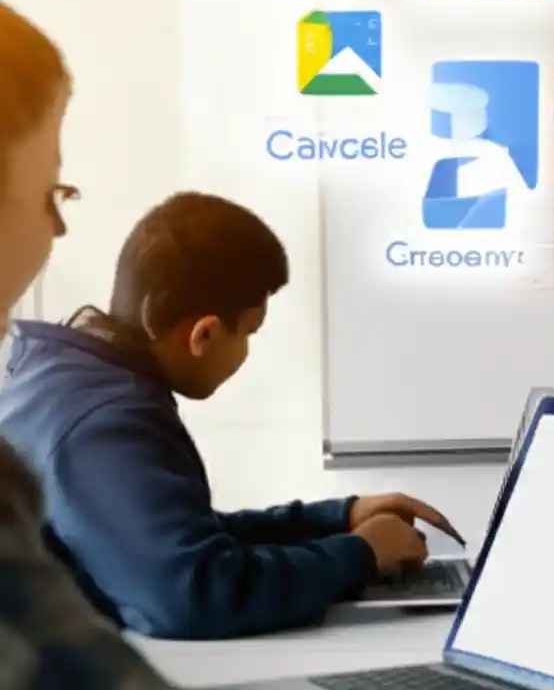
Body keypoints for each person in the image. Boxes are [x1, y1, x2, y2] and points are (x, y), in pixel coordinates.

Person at [0, 191, 466, 640]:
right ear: (203, 335)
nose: (246, 350)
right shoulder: (105, 421)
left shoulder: (71, 379)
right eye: (249, 332)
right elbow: (196, 593)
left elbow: (184, 535)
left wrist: (340, 518)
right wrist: (362, 552)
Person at [0, 0, 173, 688]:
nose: (55, 235)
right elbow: (179, 583)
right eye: (51, 194)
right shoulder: (111, 410)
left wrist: (335, 525)